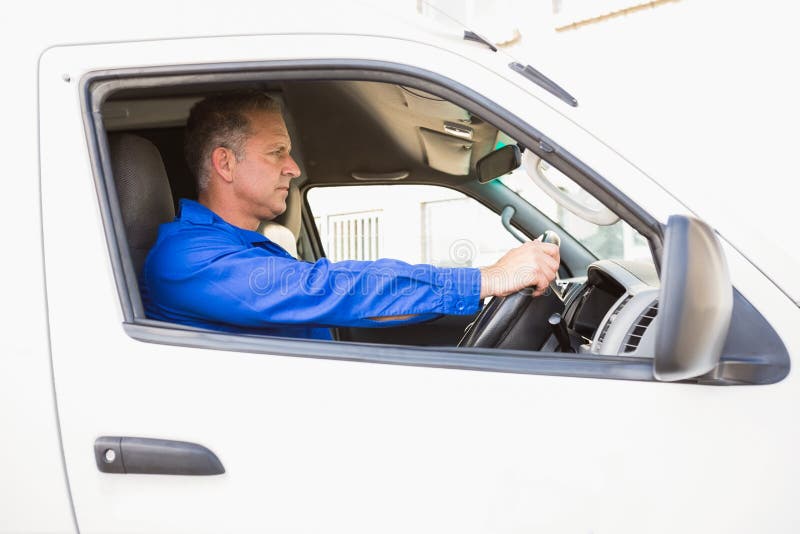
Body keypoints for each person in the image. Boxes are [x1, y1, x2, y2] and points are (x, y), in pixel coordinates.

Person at [141, 91, 560, 340]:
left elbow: (339, 297)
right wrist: (486, 279)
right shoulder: (185, 259)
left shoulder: (248, 248)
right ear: (225, 163)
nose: (293, 168)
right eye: (277, 152)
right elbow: (327, 289)